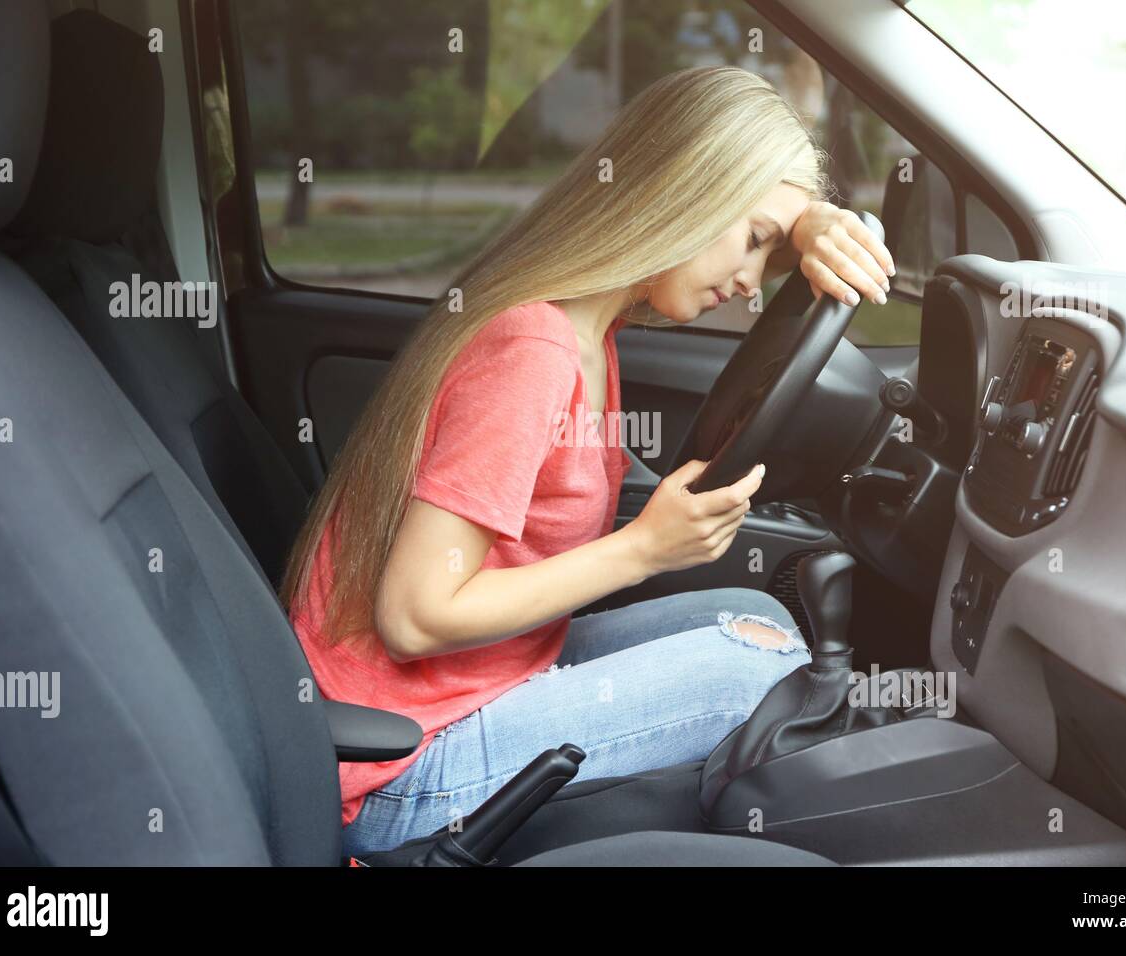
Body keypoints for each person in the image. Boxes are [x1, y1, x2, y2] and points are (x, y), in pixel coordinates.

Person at [280, 65, 895, 856]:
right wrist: (642, 550)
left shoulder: (585, 332)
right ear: (683, 193)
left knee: (766, 625)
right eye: (753, 243)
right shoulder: (533, 349)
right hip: (397, 764)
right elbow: (412, 615)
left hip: (478, 683)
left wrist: (806, 218)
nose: (749, 285)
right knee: (754, 674)